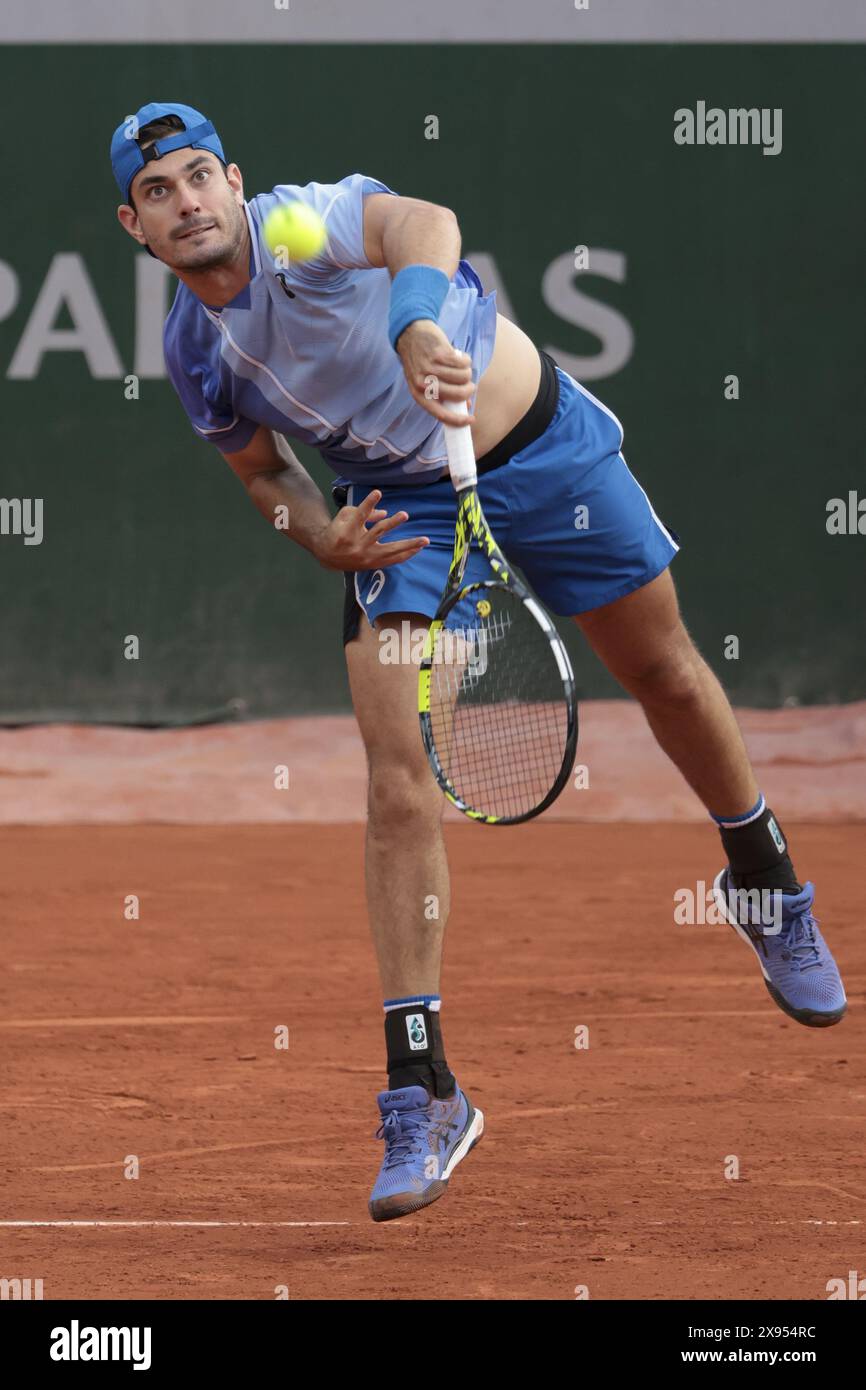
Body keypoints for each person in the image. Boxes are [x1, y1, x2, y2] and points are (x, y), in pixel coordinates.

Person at [111, 102, 847, 1224]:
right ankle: (424, 1084)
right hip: (400, 510)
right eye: (158, 192)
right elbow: (263, 476)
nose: (188, 202)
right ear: (135, 226)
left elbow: (426, 221)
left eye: (199, 176)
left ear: (233, 180)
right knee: (397, 771)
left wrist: (413, 322)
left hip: (536, 448)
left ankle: (759, 875)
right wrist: (315, 535)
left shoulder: (305, 223)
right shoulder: (193, 348)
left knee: (664, 675)